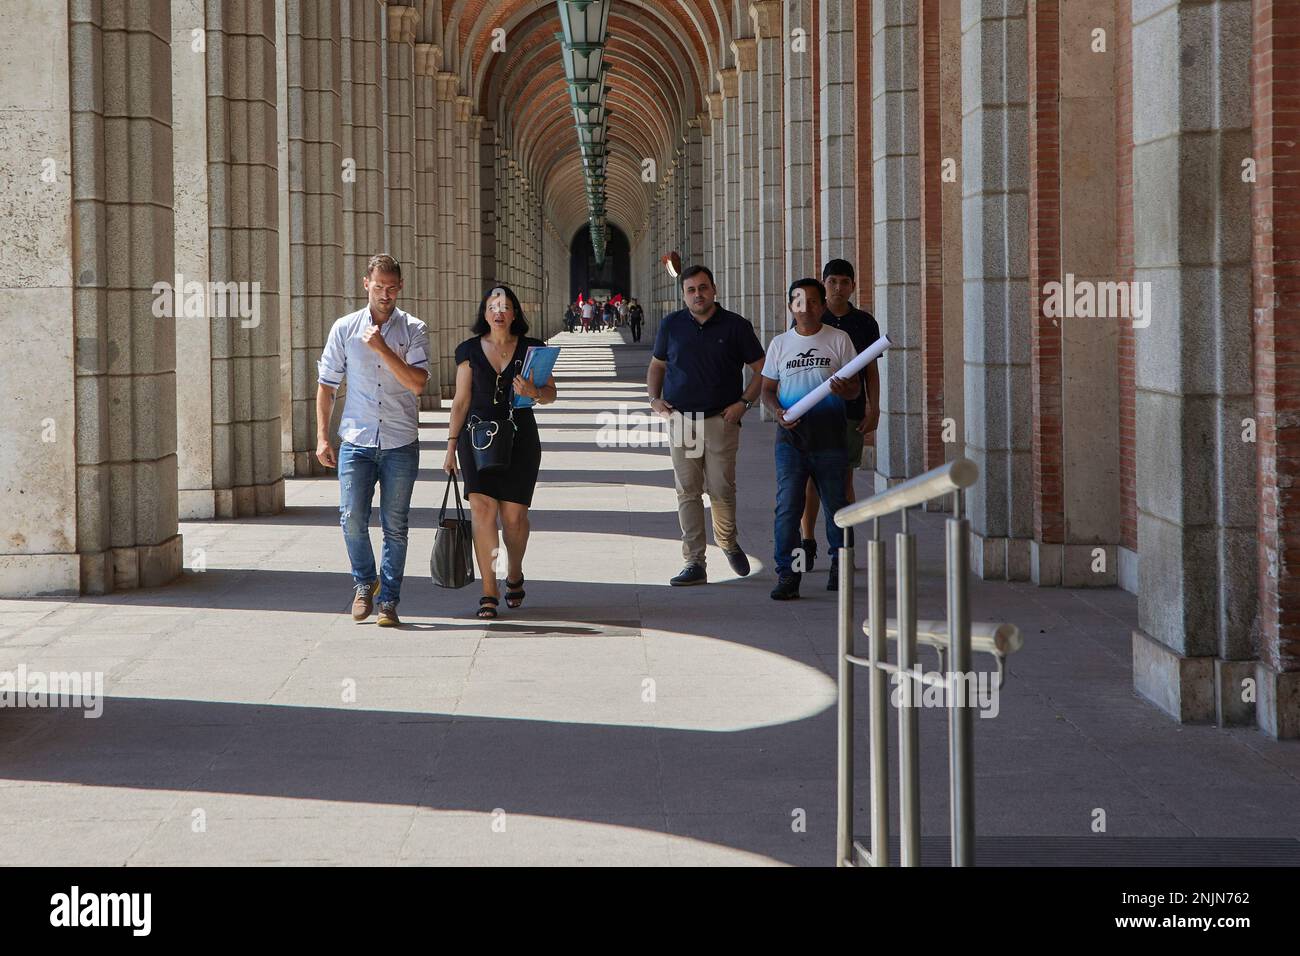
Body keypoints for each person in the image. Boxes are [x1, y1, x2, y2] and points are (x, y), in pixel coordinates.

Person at [316, 254, 429, 628]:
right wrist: (321, 436)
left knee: (395, 524)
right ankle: (365, 583)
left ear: (401, 288)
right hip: (356, 440)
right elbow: (327, 386)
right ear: (366, 284)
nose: (385, 294)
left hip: (399, 441)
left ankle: (390, 601)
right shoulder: (344, 329)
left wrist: (382, 348)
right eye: (379, 287)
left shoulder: (413, 329)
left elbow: (417, 383)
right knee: (351, 518)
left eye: (392, 288)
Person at [444, 285, 557, 619]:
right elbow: (461, 401)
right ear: (484, 312)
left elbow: (551, 393)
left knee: (513, 517)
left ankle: (515, 572)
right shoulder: (468, 351)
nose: (499, 312)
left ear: (514, 314)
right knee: (482, 509)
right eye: (493, 306)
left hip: (519, 437)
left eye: (505, 306)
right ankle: (489, 590)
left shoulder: (533, 349)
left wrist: (534, 391)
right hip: (476, 438)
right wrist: (450, 447)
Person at [648, 265, 765, 586]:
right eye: (691, 290)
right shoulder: (671, 325)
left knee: (721, 489)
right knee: (687, 491)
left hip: (720, 421)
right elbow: (657, 365)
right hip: (681, 419)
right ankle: (694, 562)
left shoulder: (736, 326)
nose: (697, 294)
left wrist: (744, 403)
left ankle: (727, 541)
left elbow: (762, 368)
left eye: (703, 288)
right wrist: (654, 400)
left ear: (714, 290)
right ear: (683, 294)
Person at [761, 277, 860, 600]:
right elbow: (767, 390)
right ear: (791, 306)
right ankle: (788, 574)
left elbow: (855, 388)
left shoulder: (839, 339)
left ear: (822, 305)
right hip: (791, 441)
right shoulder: (779, 345)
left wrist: (847, 390)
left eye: (813, 302)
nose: (806, 308)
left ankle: (839, 567)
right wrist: (777, 411)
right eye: (798, 301)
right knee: (788, 508)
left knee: (837, 507)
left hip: (831, 439)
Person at [798, 259, 881, 577]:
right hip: (814, 414)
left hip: (850, 412)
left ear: (853, 286)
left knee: (844, 480)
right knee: (810, 481)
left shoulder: (864, 323)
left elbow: (871, 369)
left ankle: (844, 548)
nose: (838, 287)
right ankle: (808, 541)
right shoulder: (809, 317)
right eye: (832, 281)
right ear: (823, 284)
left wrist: (875, 407)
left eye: (844, 282)